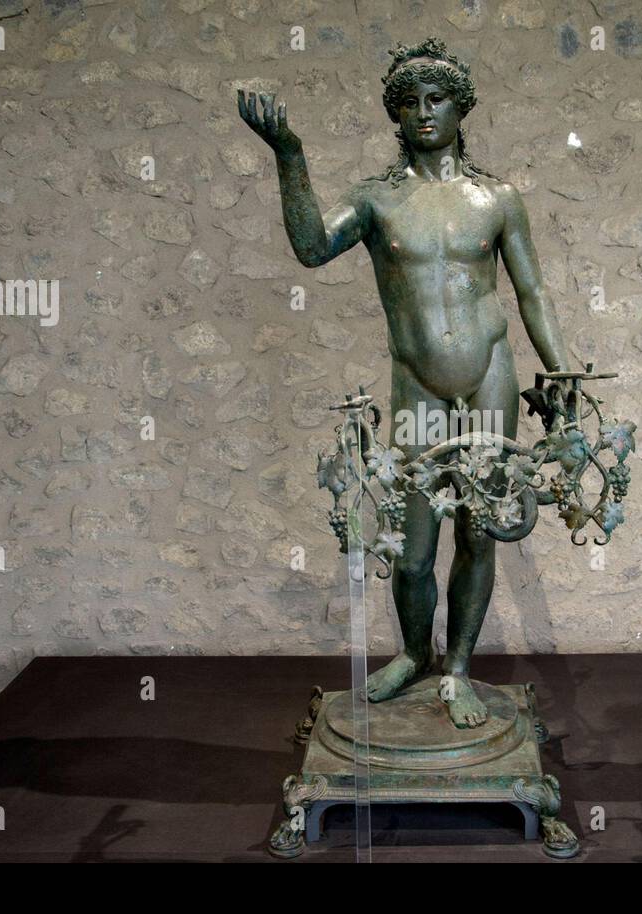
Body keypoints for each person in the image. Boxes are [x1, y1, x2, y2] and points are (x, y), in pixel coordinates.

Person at [238, 38, 569, 728]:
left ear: (460, 107)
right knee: (413, 550)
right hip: (418, 385)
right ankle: (415, 652)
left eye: (437, 99)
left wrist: (560, 370)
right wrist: (289, 154)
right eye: (410, 101)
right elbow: (309, 247)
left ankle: (458, 670)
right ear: (394, 115)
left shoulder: (497, 198)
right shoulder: (375, 201)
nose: (424, 112)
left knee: (479, 531)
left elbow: (532, 293)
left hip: (491, 378)